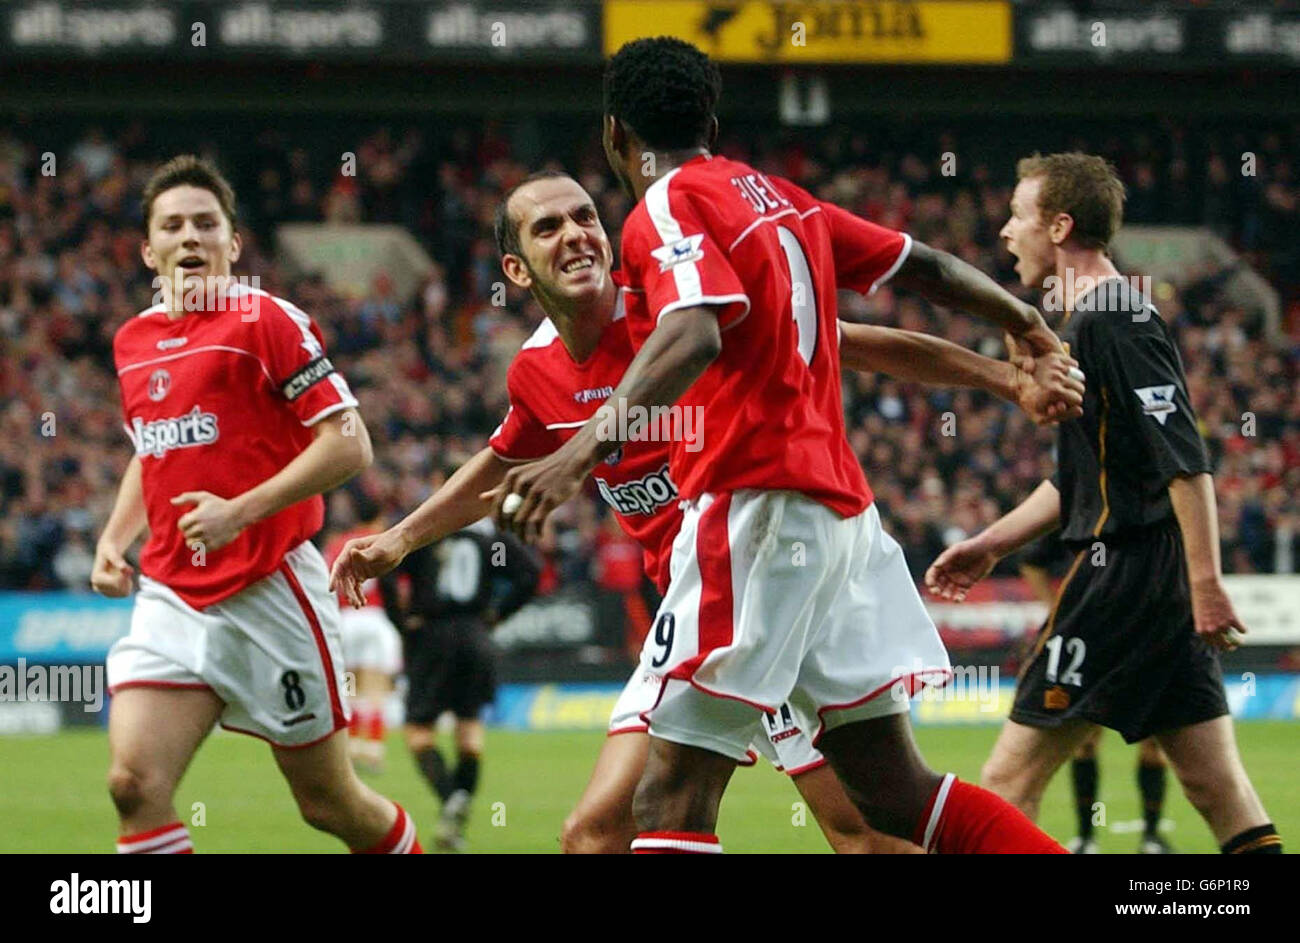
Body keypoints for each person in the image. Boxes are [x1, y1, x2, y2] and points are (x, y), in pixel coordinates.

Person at [332, 170, 1082, 853]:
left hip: (766, 565)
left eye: (585, 216)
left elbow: (850, 341)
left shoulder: (675, 309)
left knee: (858, 828)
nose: (576, 234)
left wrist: (998, 378)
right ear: (516, 270)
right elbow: (497, 459)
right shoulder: (537, 370)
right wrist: (397, 539)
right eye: (548, 227)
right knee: (603, 833)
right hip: (697, 605)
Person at [481, 38, 1078, 854]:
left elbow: (689, 331)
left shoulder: (664, 211)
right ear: (712, 120)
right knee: (893, 796)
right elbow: (925, 264)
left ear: (616, 134)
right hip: (842, 518)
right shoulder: (781, 197)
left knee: (671, 795)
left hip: (756, 508)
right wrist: (1026, 324)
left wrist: (578, 452)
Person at [927, 152, 1282, 855]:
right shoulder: (1088, 323)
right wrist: (991, 543)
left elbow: (1184, 456)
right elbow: (1076, 483)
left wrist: (1208, 583)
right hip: (1157, 581)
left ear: (1059, 226)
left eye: (1018, 217)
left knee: (1004, 783)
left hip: (1125, 575)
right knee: (1218, 789)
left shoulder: (1114, 316)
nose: (1004, 232)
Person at [91, 155, 420, 854]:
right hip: (173, 596)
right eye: (172, 226)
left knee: (331, 805)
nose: (190, 238)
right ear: (149, 250)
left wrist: (238, 510)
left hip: (269, 589)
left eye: (206, 224)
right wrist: (115, 539)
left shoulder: (265, 320)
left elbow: (350, 445)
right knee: (132, 783)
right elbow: (151, 452)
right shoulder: (133, 342)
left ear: (232, 243)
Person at [381, 500, 540, 852]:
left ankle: (451, 796)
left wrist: (401, 622)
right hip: (475, 637)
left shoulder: (424, 531)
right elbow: (530, 574)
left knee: (419, 732)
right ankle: (456, 815)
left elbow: (388, 572)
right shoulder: (492, 540)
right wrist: (497, 615)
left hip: (432, 636)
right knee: (469, 730)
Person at [1019, 536, 1174, 854]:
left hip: (1146, 636)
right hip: (1088, 640)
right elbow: (1031, 561)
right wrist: (1056, 610)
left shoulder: (1150, 513)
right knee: (1085, 742)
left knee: (1153, 743)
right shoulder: (1080, 508)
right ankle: (1086, 837)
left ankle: (1151, 837)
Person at [323, 490, 403, 773]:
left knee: (350, 687)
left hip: (346, 620)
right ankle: (374, 750)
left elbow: (327, 586)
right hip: (375, 618)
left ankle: (352, 747)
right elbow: (395, 586)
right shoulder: (383, 542)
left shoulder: (336, 545)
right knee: (377, 688)